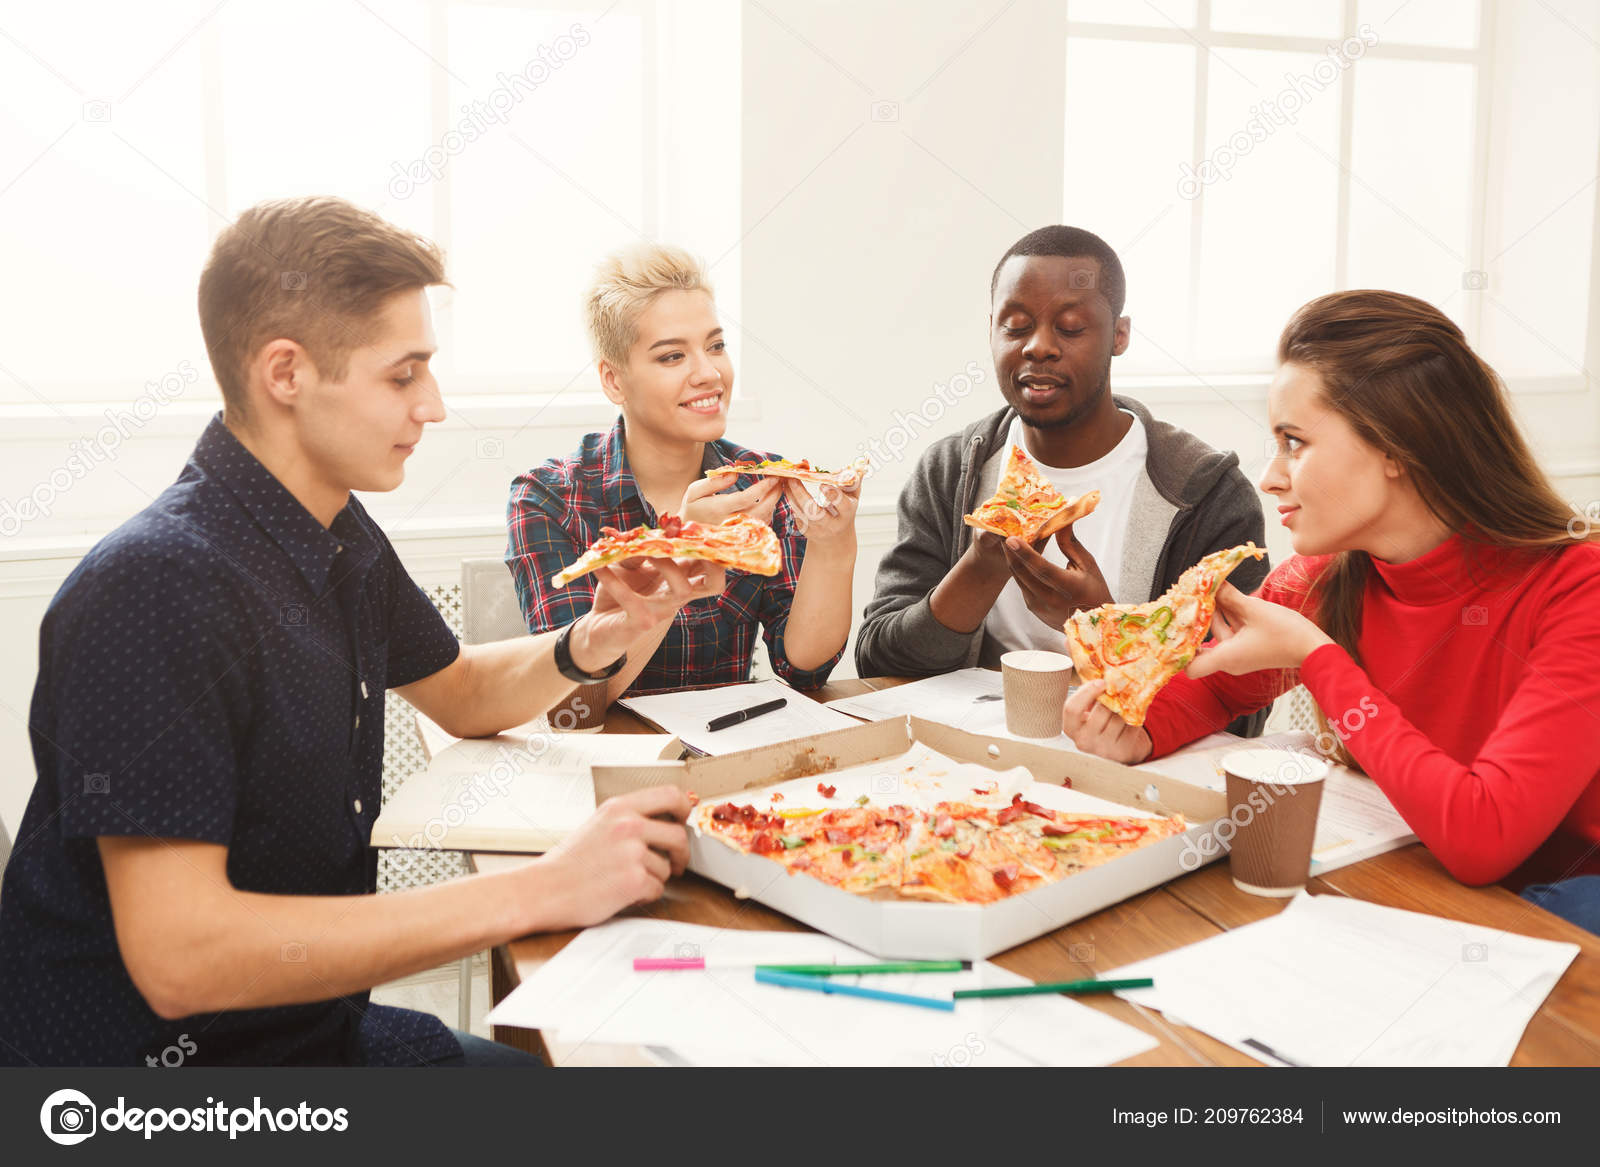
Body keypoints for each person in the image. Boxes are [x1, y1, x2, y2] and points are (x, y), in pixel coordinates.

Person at [0, 197, 719, 1067]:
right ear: (286, 372)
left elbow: (460, 692)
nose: (435, 406)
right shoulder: (155, 589)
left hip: (305, 1030)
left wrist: (598, 635)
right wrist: (543, 889)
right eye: (403, 374)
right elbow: (182, 960)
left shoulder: (333, 531)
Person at [1063, 290, 1600, 933]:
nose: (1270, 476)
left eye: (1295, 442)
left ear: (1400, 446)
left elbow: (1483, 839)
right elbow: (1212, 686)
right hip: (1413, 894)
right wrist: (1138, 729)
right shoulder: (1326, 579)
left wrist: (1319, 660)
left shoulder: (1580, 590)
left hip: (1559, 922)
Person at [855, 226, 1269, 705]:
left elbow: (1239, 700)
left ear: (1119, 335)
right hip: (972, 764)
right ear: (991, 330)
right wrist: (980, 570)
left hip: (1132, 768)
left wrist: (1101, 623)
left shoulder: (1209, 494)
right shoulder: (949, 471)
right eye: (1015, 325)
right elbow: (878, 663)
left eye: (1071, 327)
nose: (1039, 347)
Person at [506, 243, 858, 712]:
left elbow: (804, 669)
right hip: (606, 766)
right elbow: (577, 701)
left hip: (729, 757)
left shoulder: (759, 482)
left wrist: (835, 544)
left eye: (715, 346)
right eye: (672, 357)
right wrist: (680, 552)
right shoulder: (548, 498)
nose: (710, 373)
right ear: (613, 380)